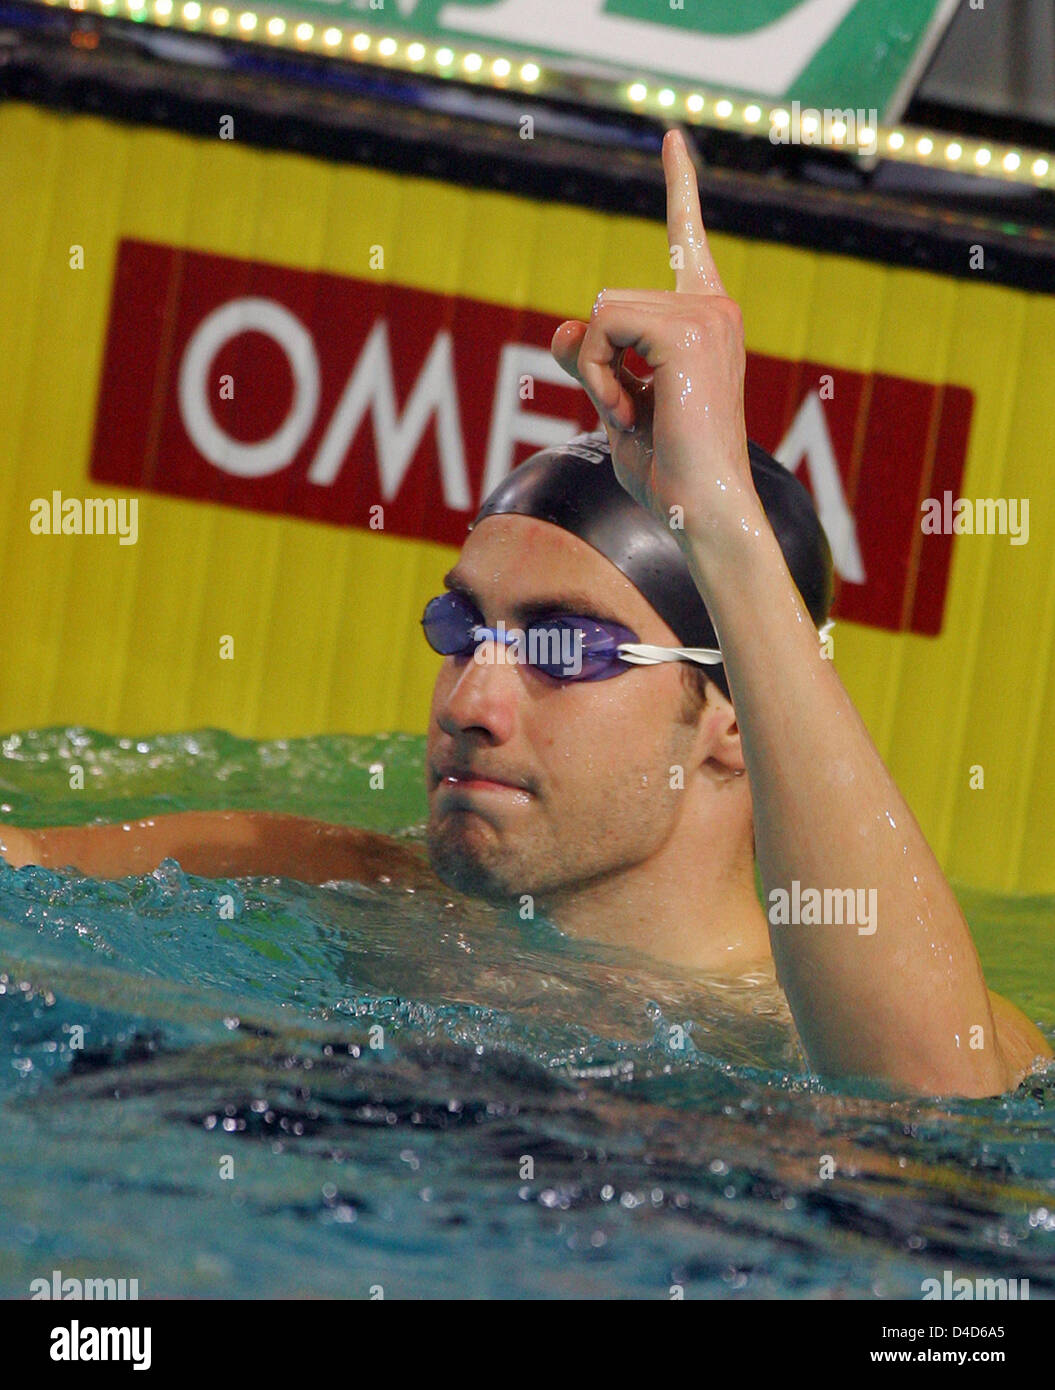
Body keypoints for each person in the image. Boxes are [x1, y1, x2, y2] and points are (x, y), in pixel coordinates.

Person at [2, 130, 1048, 1099]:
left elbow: (922, 1099)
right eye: (462, 630)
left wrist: (719, 528)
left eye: (562, 644)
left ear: (730, 723)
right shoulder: (340, 891)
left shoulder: (798, 1030)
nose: (473, 699)